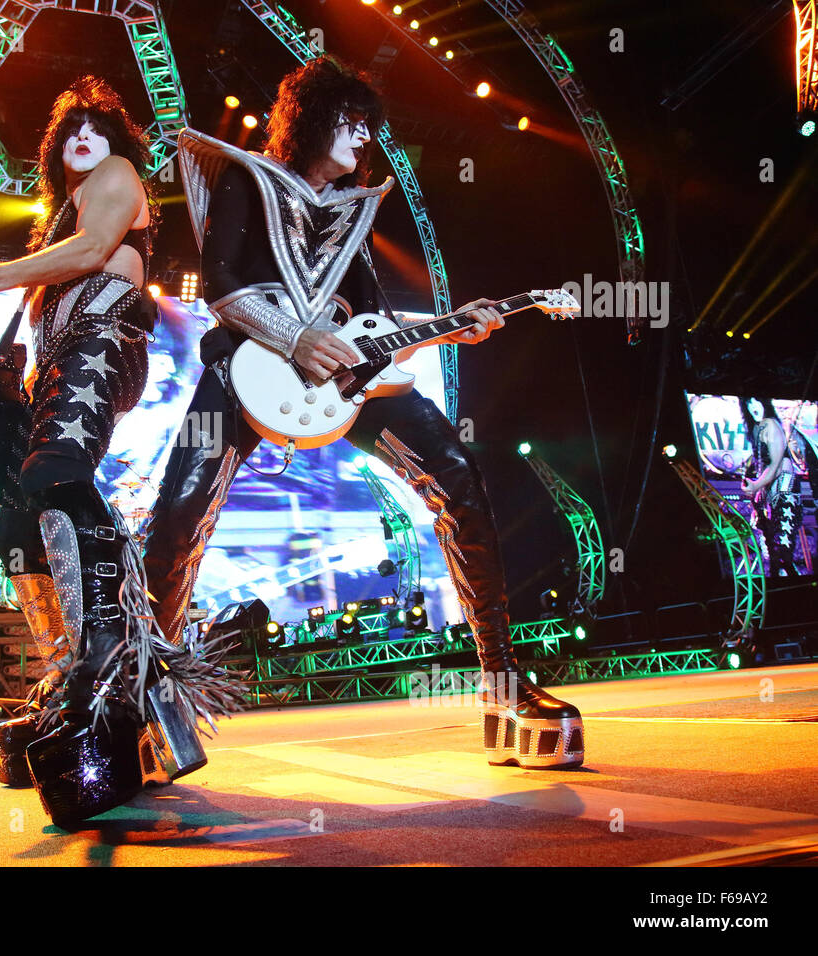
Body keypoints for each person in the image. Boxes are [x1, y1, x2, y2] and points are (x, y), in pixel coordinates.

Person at [140, 56, 584, 770]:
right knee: (179, 513)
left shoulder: (354, 207)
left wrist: (452, 324)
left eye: (369, 127)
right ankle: (146, 701)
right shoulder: (246, 177)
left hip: (350, 380)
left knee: (459, 480)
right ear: (311, 116)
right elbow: (219, 282)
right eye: (351, 121)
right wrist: (293, 336)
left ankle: (504, 687)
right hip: (248, 366)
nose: (362, 139)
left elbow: (371, 315)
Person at [0, 76, 239, 826]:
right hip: (64, 357)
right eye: (68, 125)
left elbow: (100, 248)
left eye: (97, 125)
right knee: (21, 521)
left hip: (103, 340)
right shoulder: (58, 219)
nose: (82, 133)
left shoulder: (115, 180)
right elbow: (69, 259)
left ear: (120, 145)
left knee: (60, 478)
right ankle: (67, 671)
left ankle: (110, 669)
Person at [739, 397, 801, 576]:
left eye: (756, 402)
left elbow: (776, 463)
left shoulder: (771, 425)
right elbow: (765, 464)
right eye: (748, 404)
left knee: (782, 546)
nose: (753, 408)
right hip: (771, 490)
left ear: (764, 403)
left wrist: (756, 485)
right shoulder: (759, 429)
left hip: (783, 487)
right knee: (774, 547)